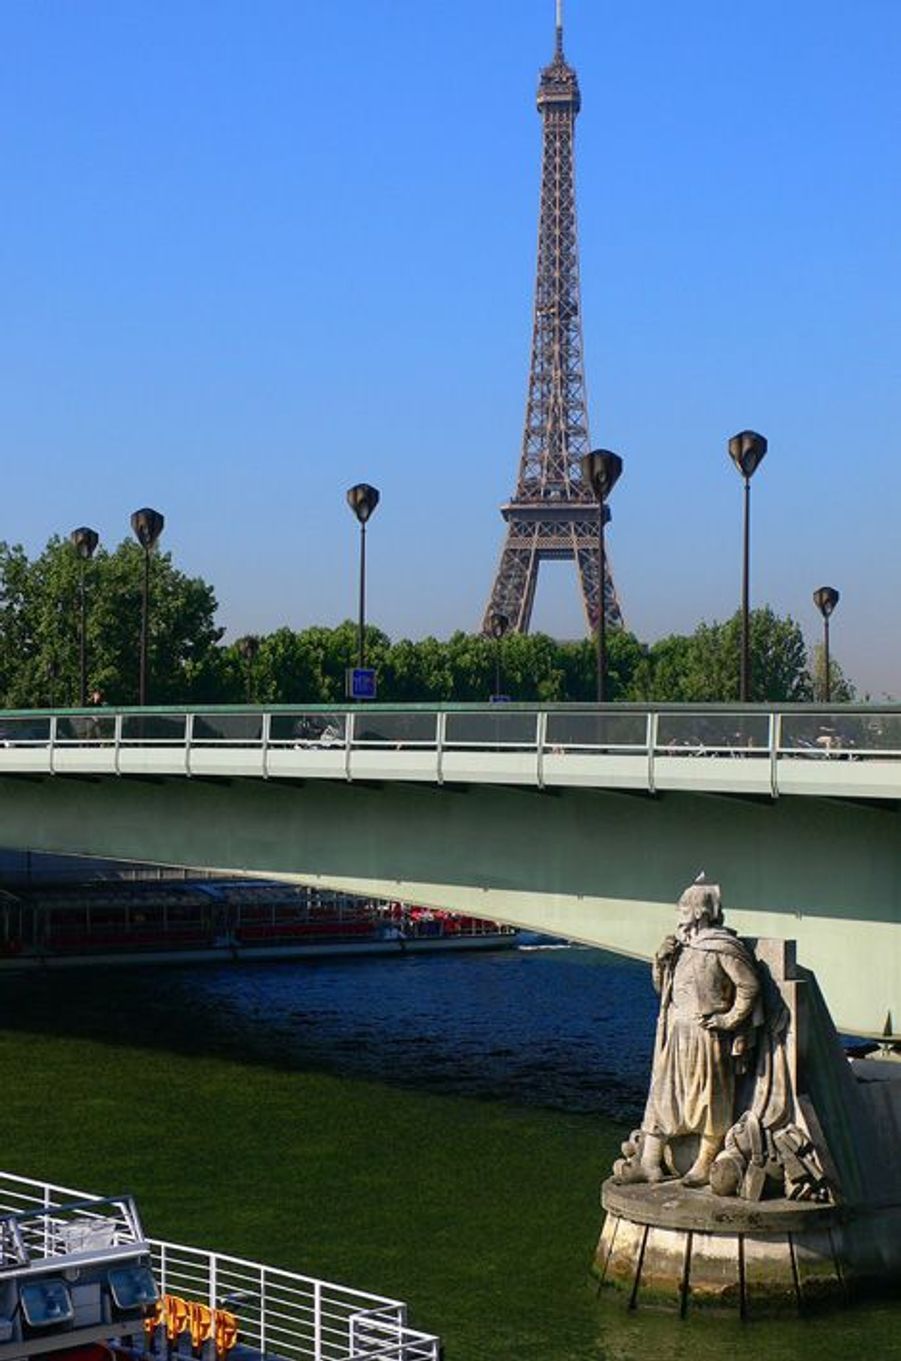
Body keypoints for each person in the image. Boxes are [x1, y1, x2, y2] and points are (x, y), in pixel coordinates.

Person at [629, 878, 762, 1187]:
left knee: (710, 1100)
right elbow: (663, 990)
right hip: (676, 1033)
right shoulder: (681, 947)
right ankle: (649, 1163)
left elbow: (749, 985)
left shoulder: (722, 947)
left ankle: (704, 1164)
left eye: (684, 907)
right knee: (662, 1095)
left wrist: (728, 1019)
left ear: (700, 912)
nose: (680, 914)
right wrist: (661, 961)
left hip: (706, 1034)